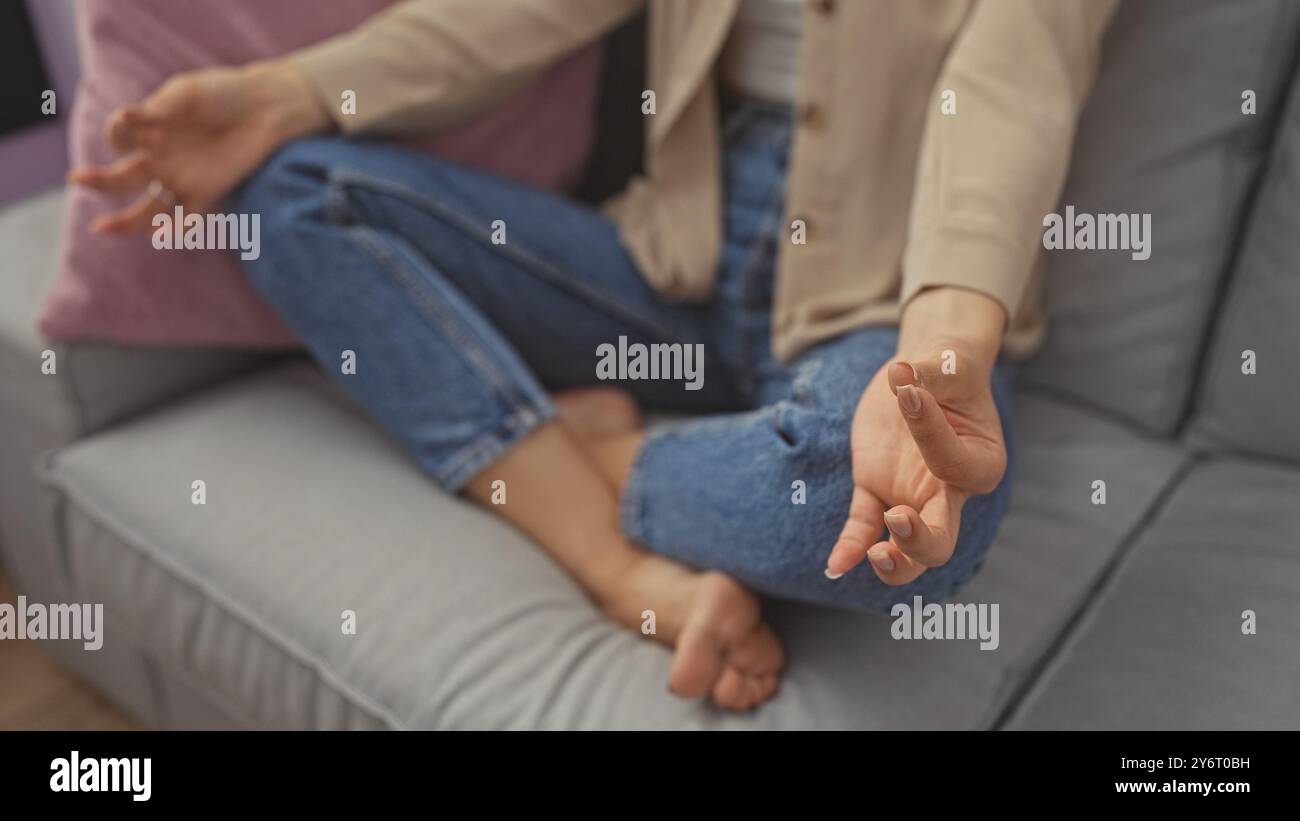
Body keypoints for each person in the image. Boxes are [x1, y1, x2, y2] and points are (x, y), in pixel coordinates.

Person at [72, 0, 1117, 711]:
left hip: (892, 290)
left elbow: (1010, 87)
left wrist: (942, 350)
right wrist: (285, 93)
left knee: (897, 507)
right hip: (669, 265)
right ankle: (611, 561)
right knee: (290, 195)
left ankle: (581, 454)